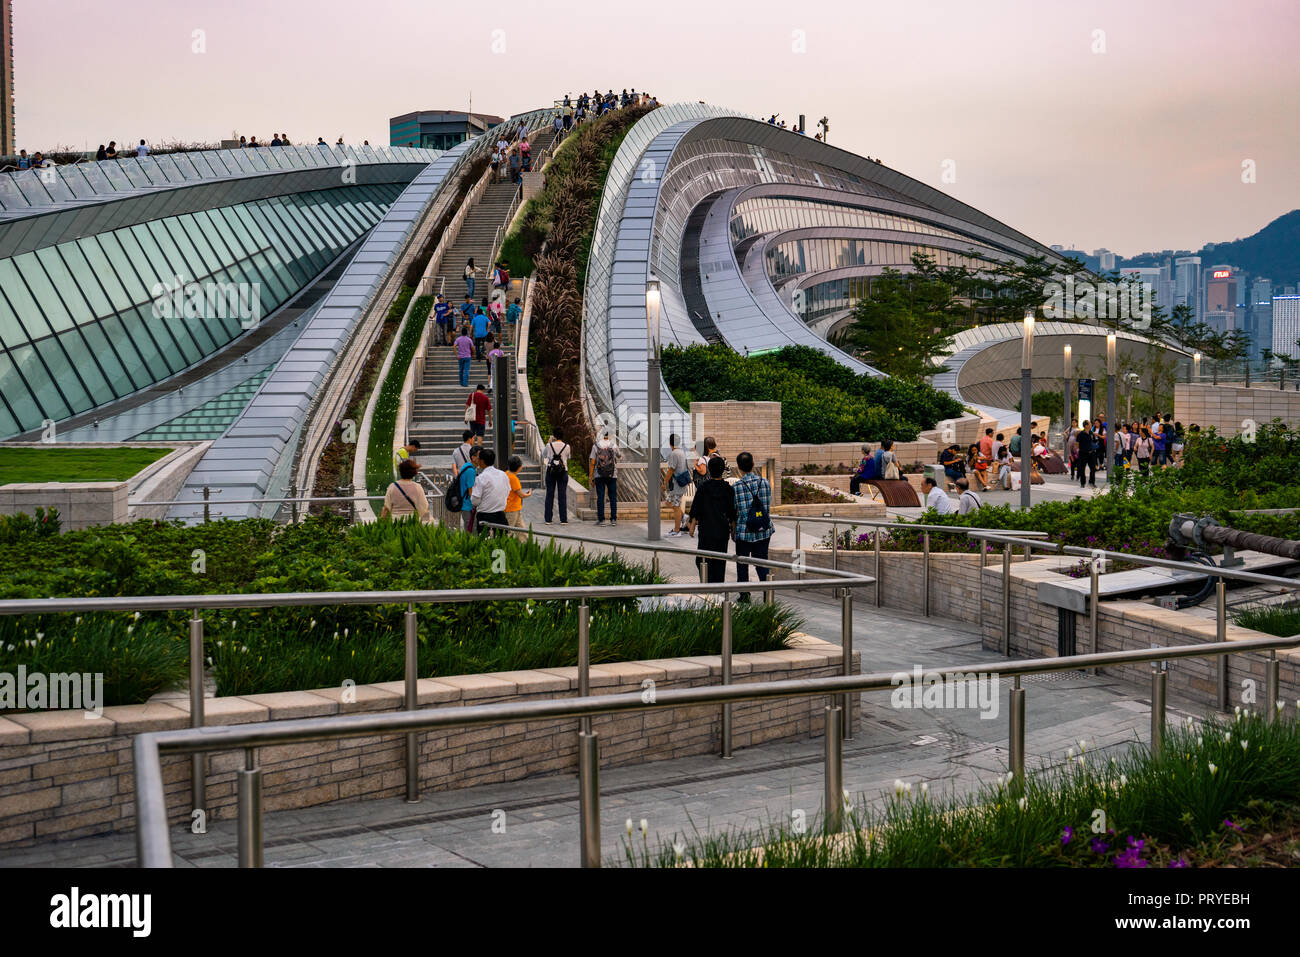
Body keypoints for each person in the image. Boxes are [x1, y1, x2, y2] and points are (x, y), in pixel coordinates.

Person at [732, 451, 774, 601]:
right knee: (762, 562)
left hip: (744, 532)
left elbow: (734, 510)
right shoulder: (765, 483)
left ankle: (744, 596)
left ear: (738, 468)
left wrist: (733, 529)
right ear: (753, 464)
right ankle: (767, 595)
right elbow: (767, 504)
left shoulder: (736, 487)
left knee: (742, 564)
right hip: (763, 531)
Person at [687, 456, 735, 584]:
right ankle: (718, 587)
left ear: (709, 469)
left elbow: (696, 507)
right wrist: (733, 529)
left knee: (702, 560)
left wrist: (691, 525)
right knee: (720, 561)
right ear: (723, 470)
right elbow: (732, 512)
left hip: (706, 530)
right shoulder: (728, 489)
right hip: (722, 531)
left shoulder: (703, 487)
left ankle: (707, 584)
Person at [470, 448, 510, 534]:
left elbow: (475, 501)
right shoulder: (503, 475)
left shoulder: (481, 478)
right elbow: (507, 491)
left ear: (482, 461)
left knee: (484, 543)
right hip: (500, 515)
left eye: (479, 459)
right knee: (501, 542)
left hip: (485, 516)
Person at [589, 431, 621, 526]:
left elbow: (593, 462)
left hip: (599, 475)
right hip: (612, 475)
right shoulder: (613, 445)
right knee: (612, 497)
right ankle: (613, 519)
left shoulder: (596, 446)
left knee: (601, 497)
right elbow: (619, 456)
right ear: (609, 436)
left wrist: (591, 476)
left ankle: (601, 520)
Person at [663, 433, 690, 536]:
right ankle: (684, 517)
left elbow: (671, 469)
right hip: (682, 483)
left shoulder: (674, 454)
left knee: (676, 506)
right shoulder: (682, 452)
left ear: (670, 443)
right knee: (669, 502)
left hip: (676, 484)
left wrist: (664, 482)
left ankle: (676, 530)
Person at [542, 431, 570, 524]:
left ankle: (548, 519)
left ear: (554, 436)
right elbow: (568, 457)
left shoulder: (549, 445)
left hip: (551, 471)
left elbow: (544, 455)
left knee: (549, 495)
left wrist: (549, 442)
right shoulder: (567, 446)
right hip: (563, 472)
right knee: (562, 495)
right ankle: (563, 519)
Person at [455, 447, 479, 532]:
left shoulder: (466, 466)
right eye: (480, 456)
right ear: (473, 457)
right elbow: (470, 492)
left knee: (469, 529)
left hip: (464, 504)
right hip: (467, 505)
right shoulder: (470, 471)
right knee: (471, 531)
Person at [504, 455, 531, 527]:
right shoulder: (514, 479)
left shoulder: (506, 473)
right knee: (509, 532)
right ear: (518, 467)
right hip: (512, 509)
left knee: (521, 531)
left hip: (512, 508)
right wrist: (528, 494)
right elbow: (521, 495)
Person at [1076, 421, 1097, 488]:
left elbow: (1093, 441)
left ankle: (1091, 482)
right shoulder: (1081, 434)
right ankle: (1083, 483)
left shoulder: (1091, 433)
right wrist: (1081, 449)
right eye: (1090, 424)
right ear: (1086, 426)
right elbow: (1077, 444)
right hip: (1083, 453)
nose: (1091, 425)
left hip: (1091, 453)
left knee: (1093, 468)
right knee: (1082, 468)